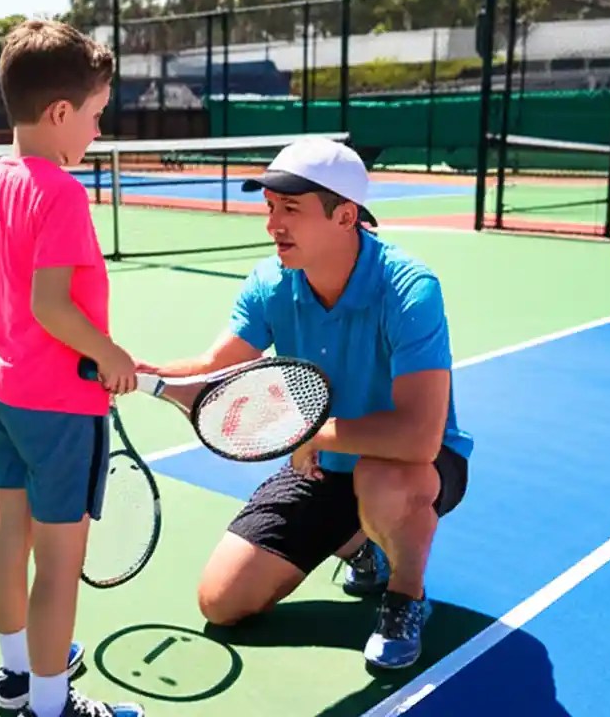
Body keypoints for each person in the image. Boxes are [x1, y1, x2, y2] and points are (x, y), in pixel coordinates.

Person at [142, 137, 473, 669]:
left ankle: (405, 596)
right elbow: (214, 369)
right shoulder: (270, 283)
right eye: (270, 208)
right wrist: (134, 371)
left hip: (414, 465)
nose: (273, 225)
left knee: (384, 481)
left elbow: (418, 436)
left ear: (345, 217)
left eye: (290, 209)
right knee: (222, 601)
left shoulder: (409, 288)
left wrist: (305, 434)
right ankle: (364, 546)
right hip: (323, 465)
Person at [0, 19, 144, 717]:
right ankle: (50, 707)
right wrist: (110, 354)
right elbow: (51, 306)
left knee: (10, 534)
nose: (97, 134)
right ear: (60, 112)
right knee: (60, 565)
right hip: (57, 405)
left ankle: (18, 674)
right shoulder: (63, 194)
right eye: (97, 117)